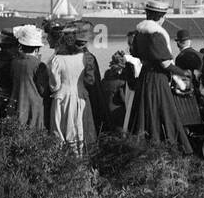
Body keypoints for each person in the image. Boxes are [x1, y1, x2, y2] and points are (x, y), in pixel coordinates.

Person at [126, 0, 194, 153]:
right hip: (157, 79)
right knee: (165, 113)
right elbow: (165, 64)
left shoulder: (139, 32)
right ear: (161, 16)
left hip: (144, 77)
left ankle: (144, 149)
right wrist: (183, 73)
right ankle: (172, 148)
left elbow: (136, 54)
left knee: (145, 115)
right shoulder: (156, 34)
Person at [49, 25, 95, 155]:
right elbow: (89, 80)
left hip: (63, 97)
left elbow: (54, 85)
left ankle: (64, 161)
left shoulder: (57, 60)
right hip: (81, 96)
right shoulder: (85, 58)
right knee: (79, 129)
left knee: (62, 130)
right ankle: (80, 159)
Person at [9, 25, 51, 132]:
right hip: (34, 107)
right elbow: (43, 90)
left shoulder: (14, 62)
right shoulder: (38, 64)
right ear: (37, 47)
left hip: (17, 104)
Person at [100, 51, 133, 135]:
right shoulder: (121, 83)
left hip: (105, 111)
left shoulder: (103, 81)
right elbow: (123, 99)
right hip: (117, 114)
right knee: (120, 134)